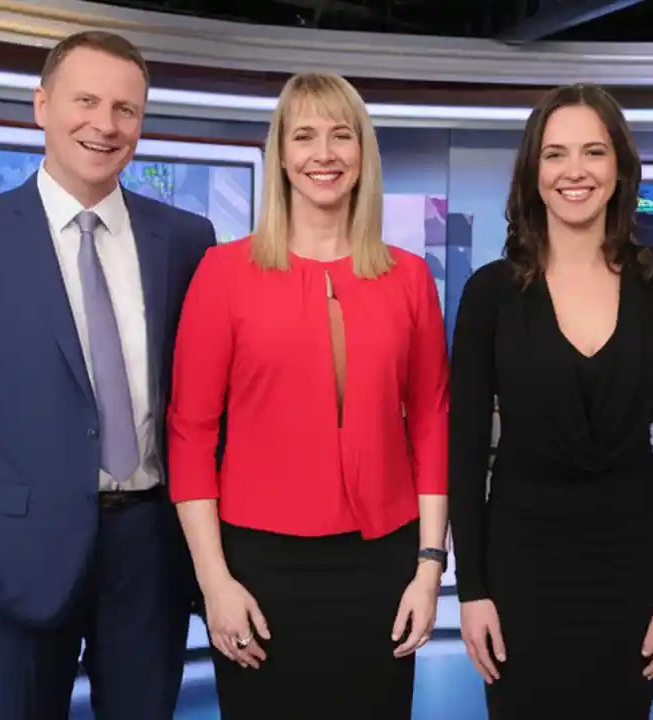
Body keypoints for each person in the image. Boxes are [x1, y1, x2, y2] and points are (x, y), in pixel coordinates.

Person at [0, 31, 215, 718]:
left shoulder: (187, 240)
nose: (105, 124)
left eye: (125, 108)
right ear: (41, 106)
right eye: (86, 101)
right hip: (6, 561)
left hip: (150, 556)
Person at [166, 71, 449, 719]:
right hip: (259, 567)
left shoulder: (408, 278)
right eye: (305, 136)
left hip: (383, 562)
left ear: (363, 152)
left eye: (341, 135)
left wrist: (429, 568)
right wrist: (214, 582)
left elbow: (432, 425)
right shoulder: (223, 273)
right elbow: (190, 434)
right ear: (281, 155)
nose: (324, 153)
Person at [448, 83, 653, 719]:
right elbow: (464, 449)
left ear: (618, 167)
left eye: (593, 152)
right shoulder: (491, 293)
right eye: (556, 154)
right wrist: (472, 590)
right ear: (533, 173)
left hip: (632, 566)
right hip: (520, 569)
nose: (575, 171)